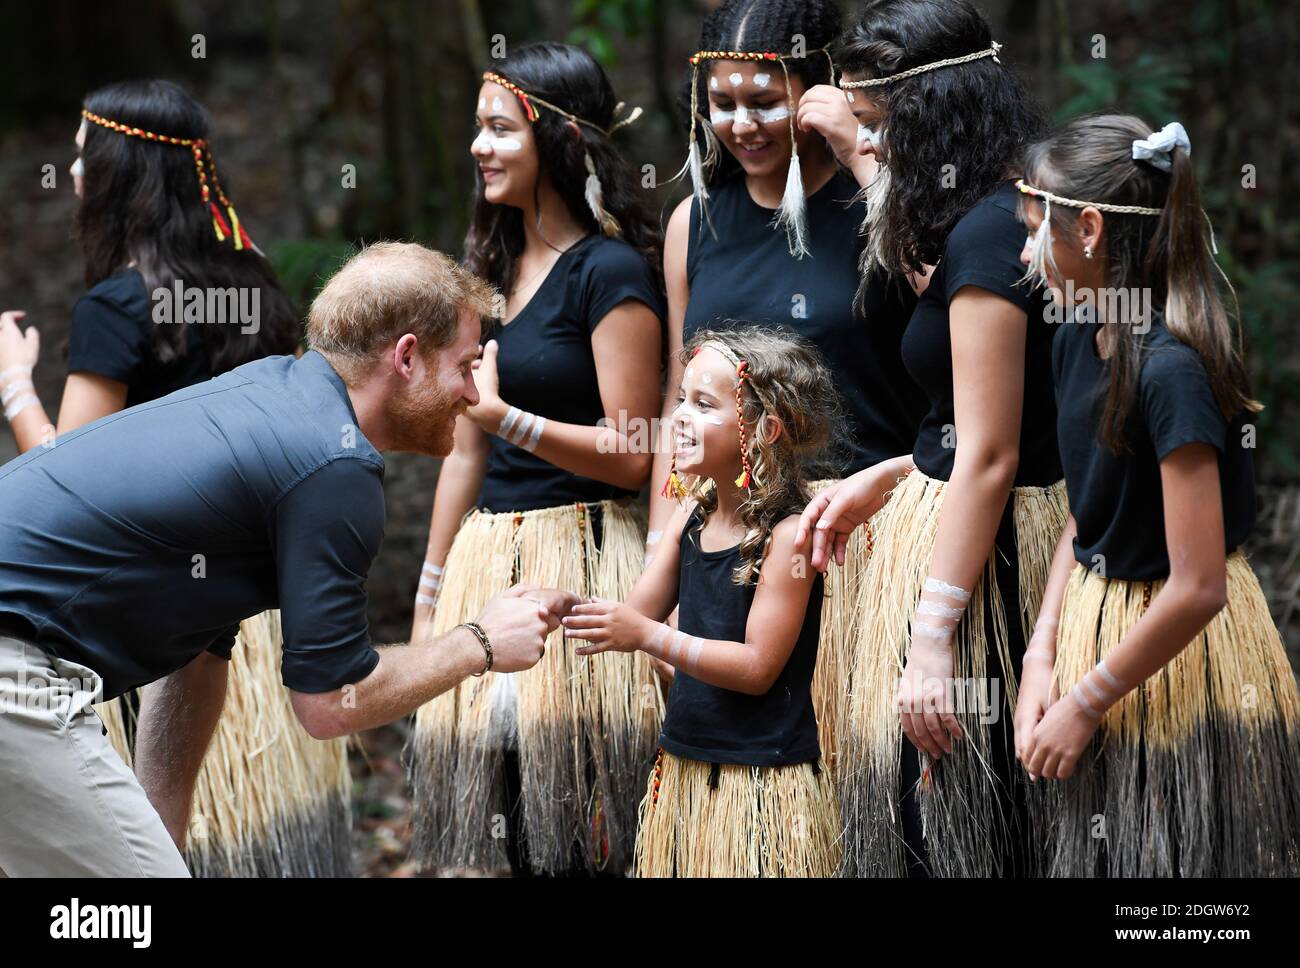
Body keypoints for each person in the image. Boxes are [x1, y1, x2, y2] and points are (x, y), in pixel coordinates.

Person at [0, 242, 574, 877]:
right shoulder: (334, 466)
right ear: (407, 357)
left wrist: (156, 847)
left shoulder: (274, 396)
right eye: (466, 365)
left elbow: (196, 655)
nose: (474, 394)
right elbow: (331, 703)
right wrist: (481, 642)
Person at [0, 79, 364, 878]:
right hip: (235, 630)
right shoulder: (257, 287)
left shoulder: (116, 307)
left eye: (82, 160)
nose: (72, 175)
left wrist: (15, 386)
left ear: (117, 177)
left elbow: (70, 479)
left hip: (140, 624)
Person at [798, 0, 1067, 877]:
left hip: (997, 572)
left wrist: (929, 641)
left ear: (929, 117)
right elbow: (967, 426)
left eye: (875, 127)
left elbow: (993, 454)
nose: (868, 149)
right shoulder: (995, 213)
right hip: (971, 531)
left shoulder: (996, 232)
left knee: (975, 828)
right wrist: (887, 476)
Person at [1012, 114, 1300, 877]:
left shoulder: (1171, 370)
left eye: (1036, 228)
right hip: (1096, 636)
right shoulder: (1078, 333)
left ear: (1092, 230)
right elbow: (1089, 510)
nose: (1022, 251)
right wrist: (1043, 657)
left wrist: (1084, 702)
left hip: (1178, 663)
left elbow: (1200, 586)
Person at [405, 42, 666, 876]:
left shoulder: (611, 272)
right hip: (490, 563)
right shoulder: (488, 268)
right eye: (475, 129)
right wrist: (430, 596)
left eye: (497, 129)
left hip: (581, 566)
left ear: (556, 139)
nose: (478, 147)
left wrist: (510, 416)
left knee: (583, 818)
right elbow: (465, 446)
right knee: (501, 820)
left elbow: (633, 454)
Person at [647, 0, 928, 770]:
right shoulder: (693, 224)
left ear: (814, 90)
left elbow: (949, 303)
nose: (743, 124)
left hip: (870, 537)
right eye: (724, 104)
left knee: (865, 782)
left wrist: (863, 150)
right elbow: (682, 405)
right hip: (738, 558)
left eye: (766, 100)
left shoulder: (880, 205)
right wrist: (662, 566)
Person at [565, 328, 842, 877]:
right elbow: (635, 614)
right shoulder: (691, 517)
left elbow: (758, 668)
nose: (679, 418)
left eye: (704, 404)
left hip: (762, 781)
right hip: (689, 770)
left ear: (765, 429)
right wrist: (564, 605)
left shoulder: (788, 532)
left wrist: (651, 639)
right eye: (681, 401)